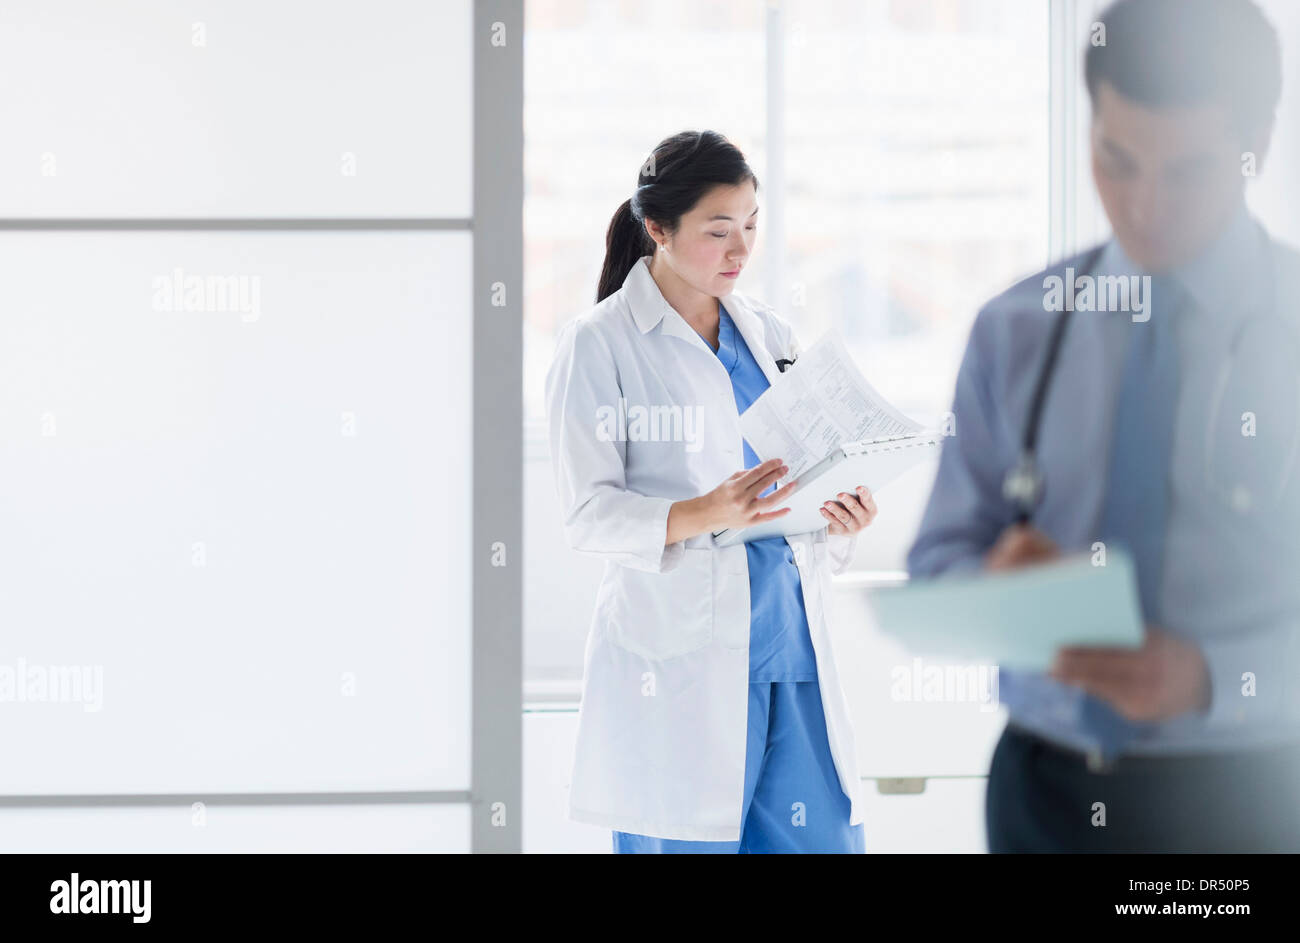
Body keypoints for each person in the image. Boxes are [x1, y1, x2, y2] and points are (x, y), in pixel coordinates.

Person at [908, 0, 1300, 852]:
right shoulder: (1016, 330)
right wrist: (998, 597)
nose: (1145, 205)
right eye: (1116, 160)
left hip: (1254, 794)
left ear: (1256, 146)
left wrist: (1208, 676)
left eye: (1188, 171)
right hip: (1043, 794)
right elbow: (937, 567)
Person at [545, 130, 878, 852]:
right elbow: (587, 514)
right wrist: (708, 511)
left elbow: (801, 486)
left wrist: (843, 517)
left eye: (752, 225)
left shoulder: (771, 334)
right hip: (679, 668)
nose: (741, 249)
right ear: (657, 229)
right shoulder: (599, 344)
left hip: (792, 652)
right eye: (719, 229)